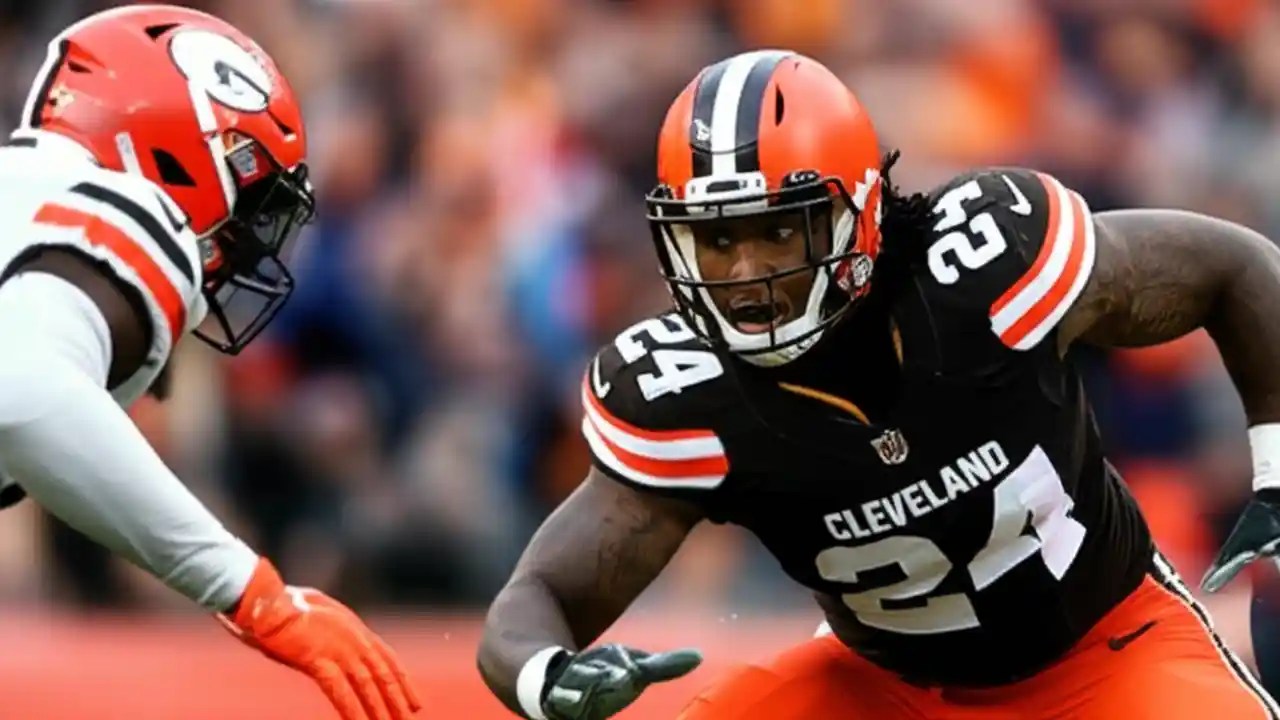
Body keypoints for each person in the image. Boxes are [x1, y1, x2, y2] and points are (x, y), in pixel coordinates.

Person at [477, 49, 1280, 719]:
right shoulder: (688, 394)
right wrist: (549, 677)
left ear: (859, 212)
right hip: (882, 688)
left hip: (1107, 651)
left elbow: (1233, 266)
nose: (747, 271)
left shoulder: (981, 272)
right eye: (717, 240)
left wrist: (1278, 473)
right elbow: (536, 598)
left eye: (778, 229)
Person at [0, 6, 420, 720]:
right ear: (174, 151)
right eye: (252, 200)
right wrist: (253, 594)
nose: (247, 246)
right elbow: (25, 394)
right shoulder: (132, 213)